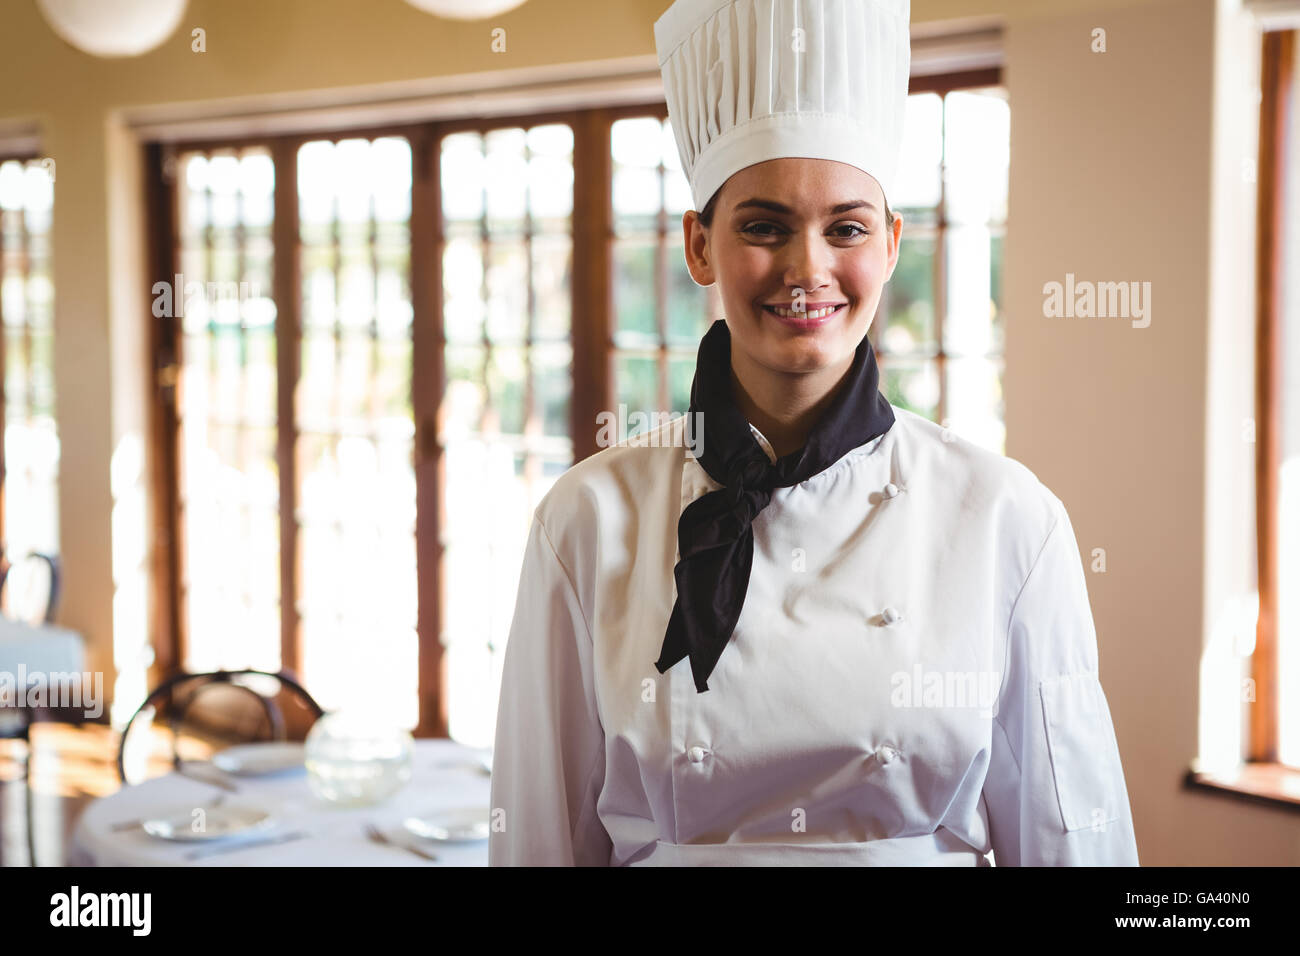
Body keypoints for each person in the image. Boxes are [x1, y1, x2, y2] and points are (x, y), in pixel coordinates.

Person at [488, 0, 1139, 866]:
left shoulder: (1005, 518)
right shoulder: (585, 519)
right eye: (763, 227)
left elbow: (1074, 841)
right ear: (699, 246)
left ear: (891, 243)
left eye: (847, 228)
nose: (808, 271)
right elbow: (537, 837)